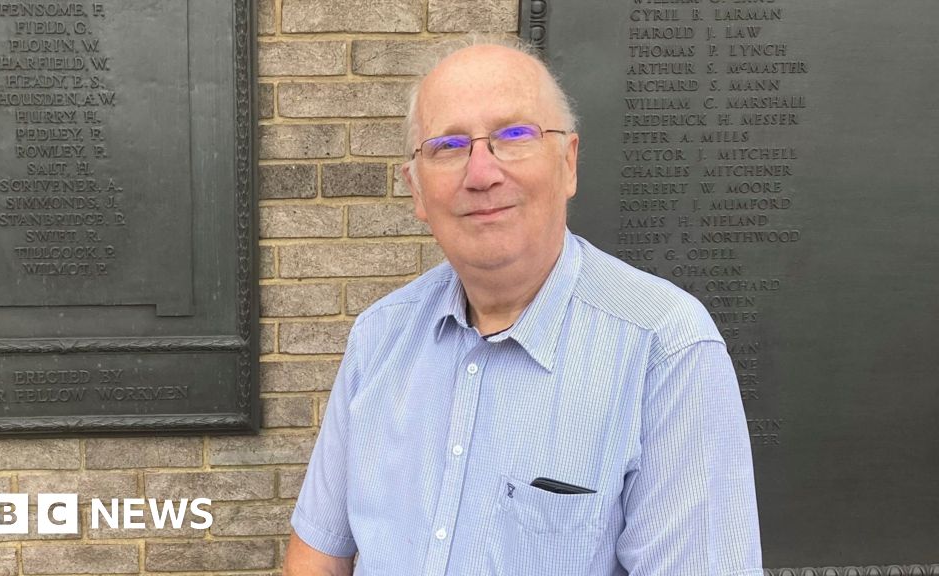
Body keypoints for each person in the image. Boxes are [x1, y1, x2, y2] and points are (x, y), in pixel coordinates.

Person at [283, 39, 762, 576]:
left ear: (569, 162)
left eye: (514, 136)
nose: (481, 172)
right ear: (415, 190)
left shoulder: (666, 350)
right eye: (448, 145)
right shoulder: (379, 338)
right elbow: (318, 556)